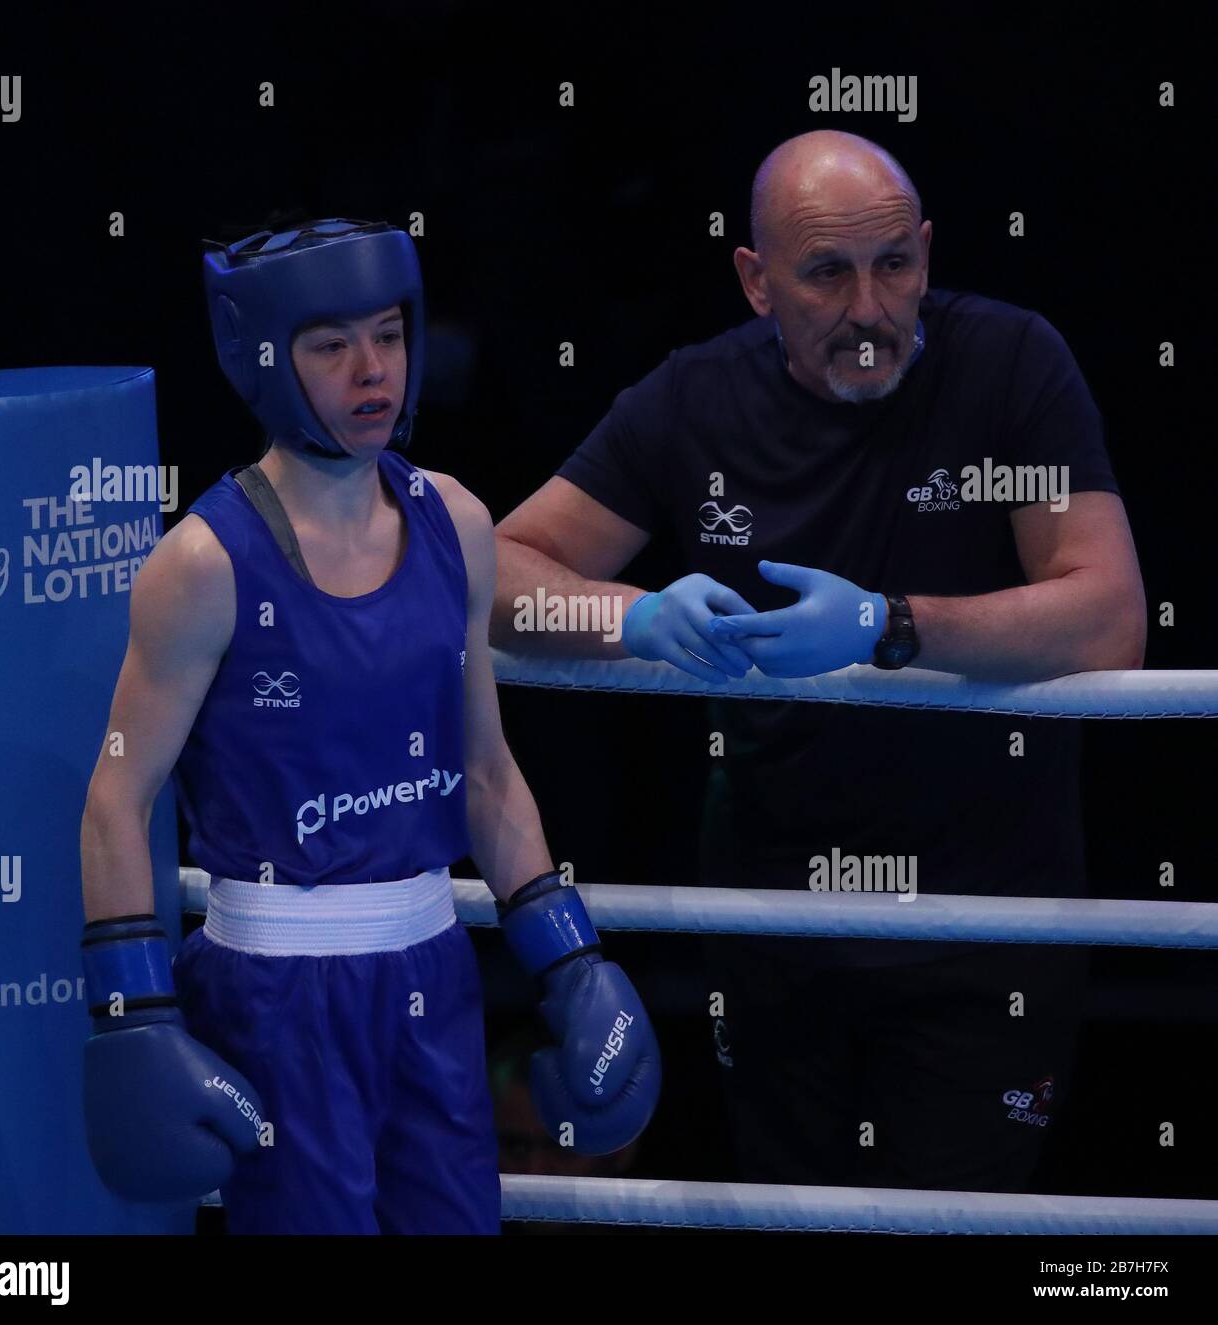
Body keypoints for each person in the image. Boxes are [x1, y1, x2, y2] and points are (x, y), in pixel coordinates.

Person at [492, 132, 1146, 1192]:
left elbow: (1110, 612)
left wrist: (891, 625)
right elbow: (495, 569)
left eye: (894, 264)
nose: (870, 307)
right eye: (828, 273)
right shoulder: (694, 397)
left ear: (927, 254)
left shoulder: (1011, 363)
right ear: (756, 280)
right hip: (772, 919)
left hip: (981, 925)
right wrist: (634, 614)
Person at [78, 217, 660, 1234]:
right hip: (277, 989)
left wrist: (572, 959)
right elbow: (117, 796)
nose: (371, 370)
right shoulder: (204, 564)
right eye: (330, 344)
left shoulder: (459, 523)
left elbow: (485, 772)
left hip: (434, 966)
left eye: (388, 335)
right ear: (264, 358)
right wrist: (132, 1011)